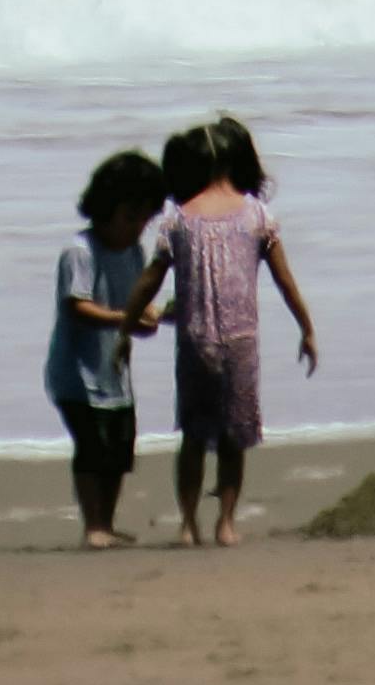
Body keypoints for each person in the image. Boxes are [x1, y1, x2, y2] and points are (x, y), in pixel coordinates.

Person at [128, 113, 318, 547]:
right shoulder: (257, 216)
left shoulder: (178, 220)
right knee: (234, 438)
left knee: (192, 436)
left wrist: (125, 326)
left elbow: (150, 280)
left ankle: (187, 523)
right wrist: (306, 328)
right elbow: (285, 280)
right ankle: (226, 522)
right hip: (240, 342)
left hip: (195, 341)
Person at [46, 148, 166, 544]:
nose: (137, 228)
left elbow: (133, 301)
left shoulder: (133, 252)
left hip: (113, 373)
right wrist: (125, 320)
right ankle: (93, 525)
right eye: (130, 217)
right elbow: (79, 306)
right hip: (76, 373)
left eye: (145, 219)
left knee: (119, 450)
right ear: (104, 207)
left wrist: (152, 317)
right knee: (91, 447)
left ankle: (107, 522)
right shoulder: (79, 252)